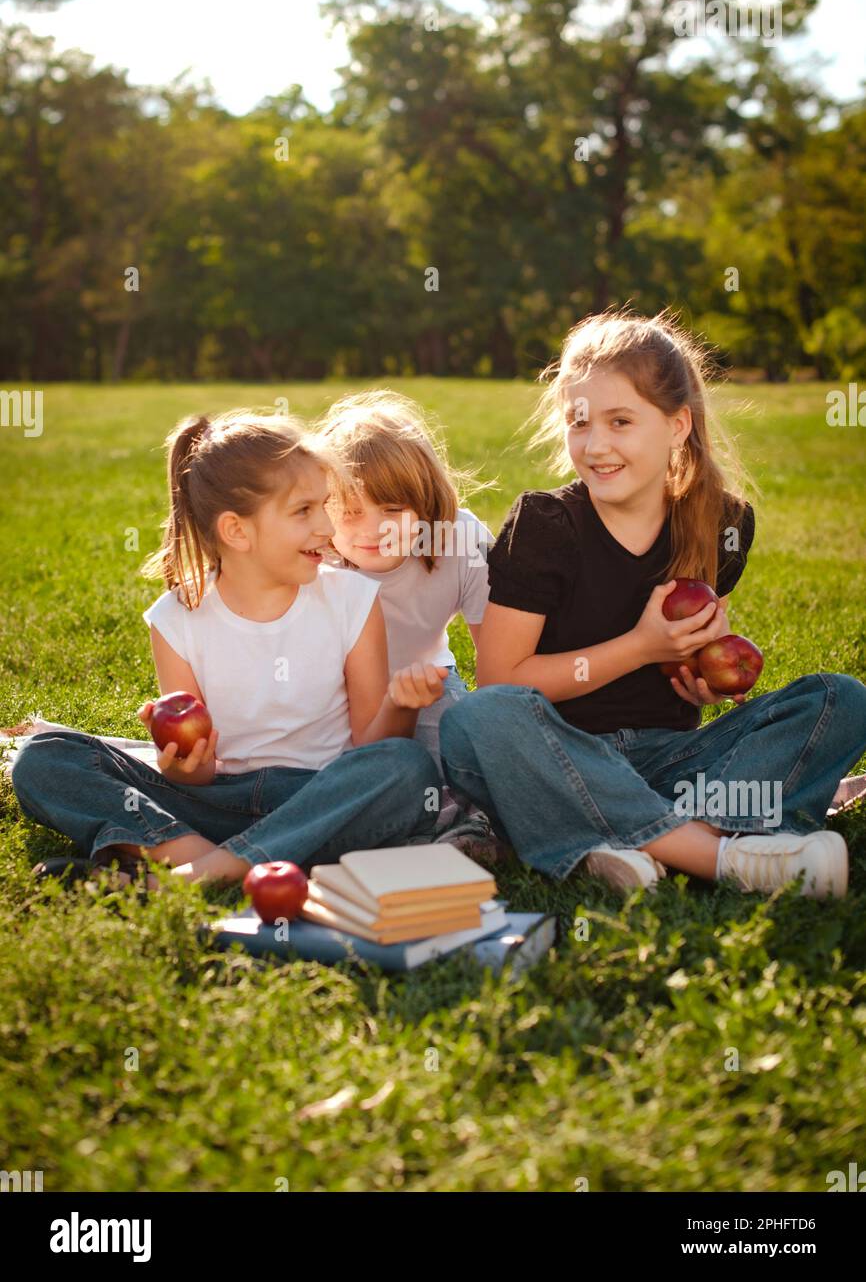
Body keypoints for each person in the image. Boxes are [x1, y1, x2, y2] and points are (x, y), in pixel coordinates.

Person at [439, 312, 866, 898]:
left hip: (671, 761)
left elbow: (690, 662)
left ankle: (624, 835)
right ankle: (718, 854)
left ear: (677, 425)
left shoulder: (722, 524)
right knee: (476, 719)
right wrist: (640, 647)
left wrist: (702, 680)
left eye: (621, 421)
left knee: (840, 699)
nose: (596, 445)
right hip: (555, 756)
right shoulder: (546, 525)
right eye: (580, 423)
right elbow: (500, 683)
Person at [11, 410, 444, 893]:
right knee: (43, 757)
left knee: (406, 771)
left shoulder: (354, 599)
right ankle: (208, 862)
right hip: (214, 803)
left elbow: (372, 749)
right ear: (237, 531)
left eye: (324, 505)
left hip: (320, 796)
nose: (327, 526)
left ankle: (172, 871)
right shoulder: (176, 618)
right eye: (304, 511)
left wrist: (400, 707)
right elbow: (198, 771)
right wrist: (185, 768)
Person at [316, 390, 505, 863]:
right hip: (333, 694)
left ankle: (468, 826)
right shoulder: (316, 559)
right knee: (340, 771)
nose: (373, 529)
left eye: (393, 510)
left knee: (462, 748)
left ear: (425, 503)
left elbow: (498, 663)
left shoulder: (458, 539)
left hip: (426, 685)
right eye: (352, 511)